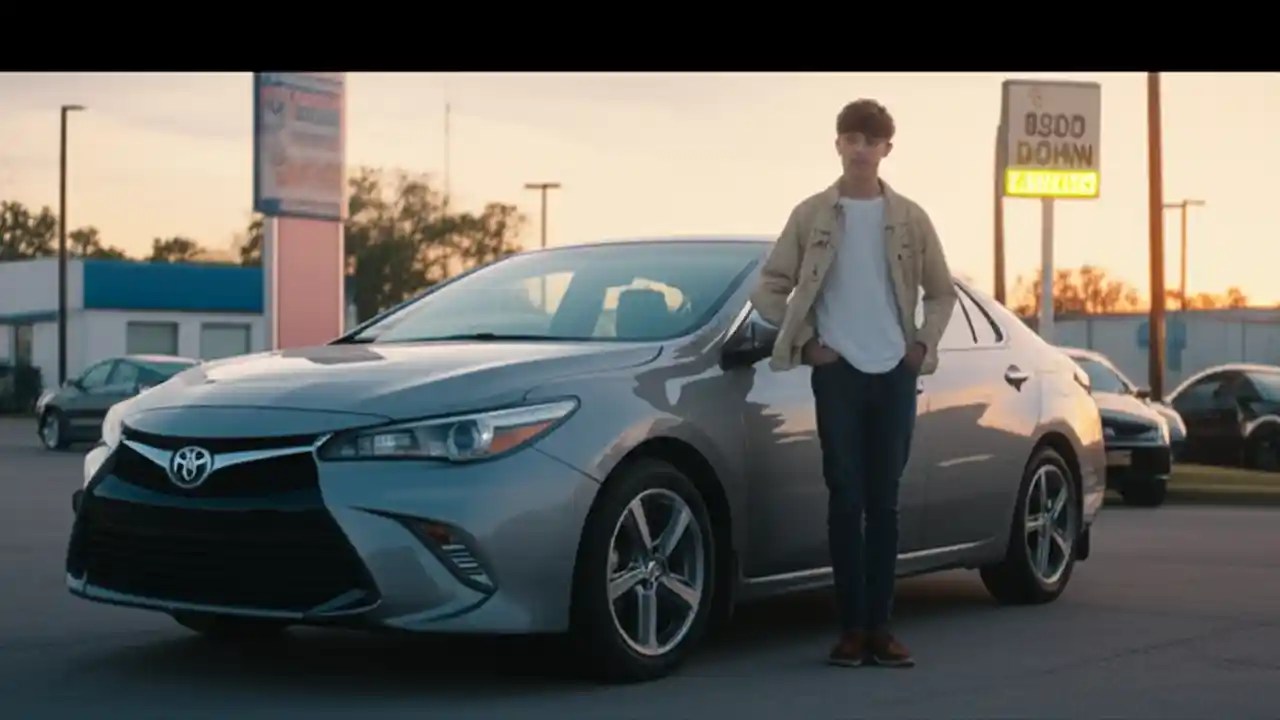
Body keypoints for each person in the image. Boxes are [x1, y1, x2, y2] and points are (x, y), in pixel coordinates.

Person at [750, 98, 957, 668]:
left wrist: (919, 347)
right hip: (838, 374)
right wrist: (808, 343)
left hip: (894, 372)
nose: (862, 149)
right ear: (837, 144)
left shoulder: (911, 217)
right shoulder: (811, 214)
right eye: (852, 139)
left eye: (873, 140)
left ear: (888, 149)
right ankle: (849, 631)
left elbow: (942, 290)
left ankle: (881, 629)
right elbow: (769, 287)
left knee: (883, 502)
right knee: (845, 497)